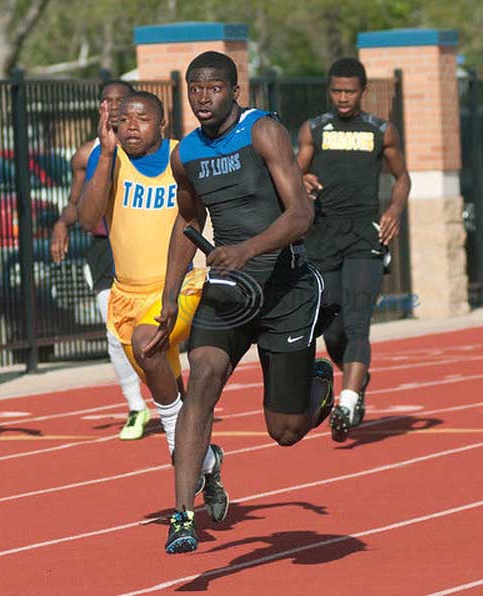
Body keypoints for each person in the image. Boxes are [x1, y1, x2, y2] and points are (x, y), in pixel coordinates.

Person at [145, 51, 334, 554]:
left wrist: (248, 249)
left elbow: (301, 215)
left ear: (234, 91)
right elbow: (187, 225)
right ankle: (183, 514)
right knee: (201, 380)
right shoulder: (184, 154)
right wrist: (168, 296)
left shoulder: (263, 132)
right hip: (228, 292)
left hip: (284, 288)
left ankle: (316, 385)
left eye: (213, 88)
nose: (202, 97)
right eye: (194, 88)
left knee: (286, 431)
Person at [76, 88, 228, 525]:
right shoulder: (109, 160)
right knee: (167, 386)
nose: (131, 127)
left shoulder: (184, 155)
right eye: (124, 120)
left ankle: (174, 445)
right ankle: (207, 464)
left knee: (148, 344)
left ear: (161, 124)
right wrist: (104, 157)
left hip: (181, 288)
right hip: (127, 296)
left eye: (141, 119)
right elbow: (89, 221)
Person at [296, 57, 411, 442]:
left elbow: (402, 177)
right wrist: (303, 179)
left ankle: (347, 401)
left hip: (365, 238)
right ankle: (355, 375)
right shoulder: (314, 129)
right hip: (323, 239)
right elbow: (291, 173)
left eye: (350, 91)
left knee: (359, 319)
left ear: (363, 92)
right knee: (334, 329)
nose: (343, 98)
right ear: (329, 91)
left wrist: (394, 208)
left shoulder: (380, 130)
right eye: (337, 91)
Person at [49, 80, 148, 440]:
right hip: (104, 247)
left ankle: (176, 397)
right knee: (113, 331)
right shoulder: (84, 155)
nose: (112, 108)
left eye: (119, 102)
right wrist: (61, 222)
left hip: (143, 244)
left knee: (153, 331)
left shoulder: (145, 149)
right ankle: (136, 406)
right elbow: (77, 204)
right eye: (106, 102)